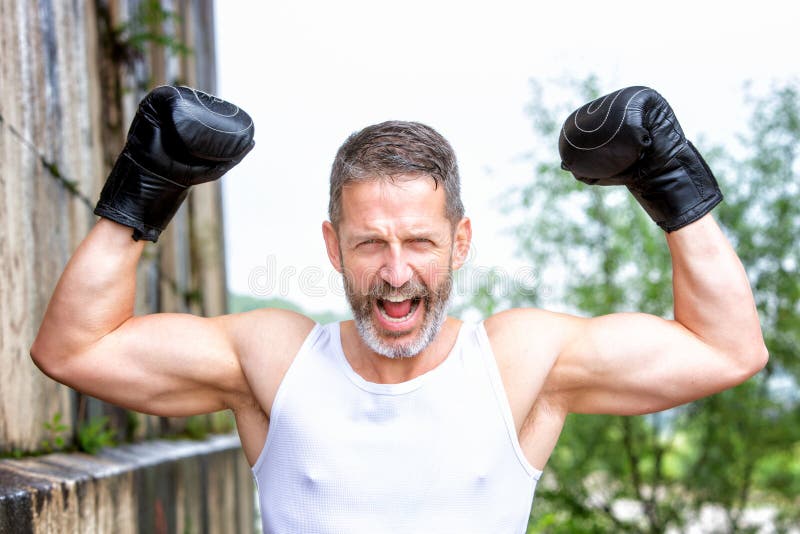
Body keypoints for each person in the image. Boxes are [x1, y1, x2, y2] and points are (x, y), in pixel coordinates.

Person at [30, 84, 768, 533]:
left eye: (420, 241)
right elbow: (74, 349)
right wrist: (147, 184)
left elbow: (727, 349)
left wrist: (669, 179)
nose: (394, 273)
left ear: (460, 242)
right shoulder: (275, 359)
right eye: (368, 243)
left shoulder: (516, 362)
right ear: (331, 245)